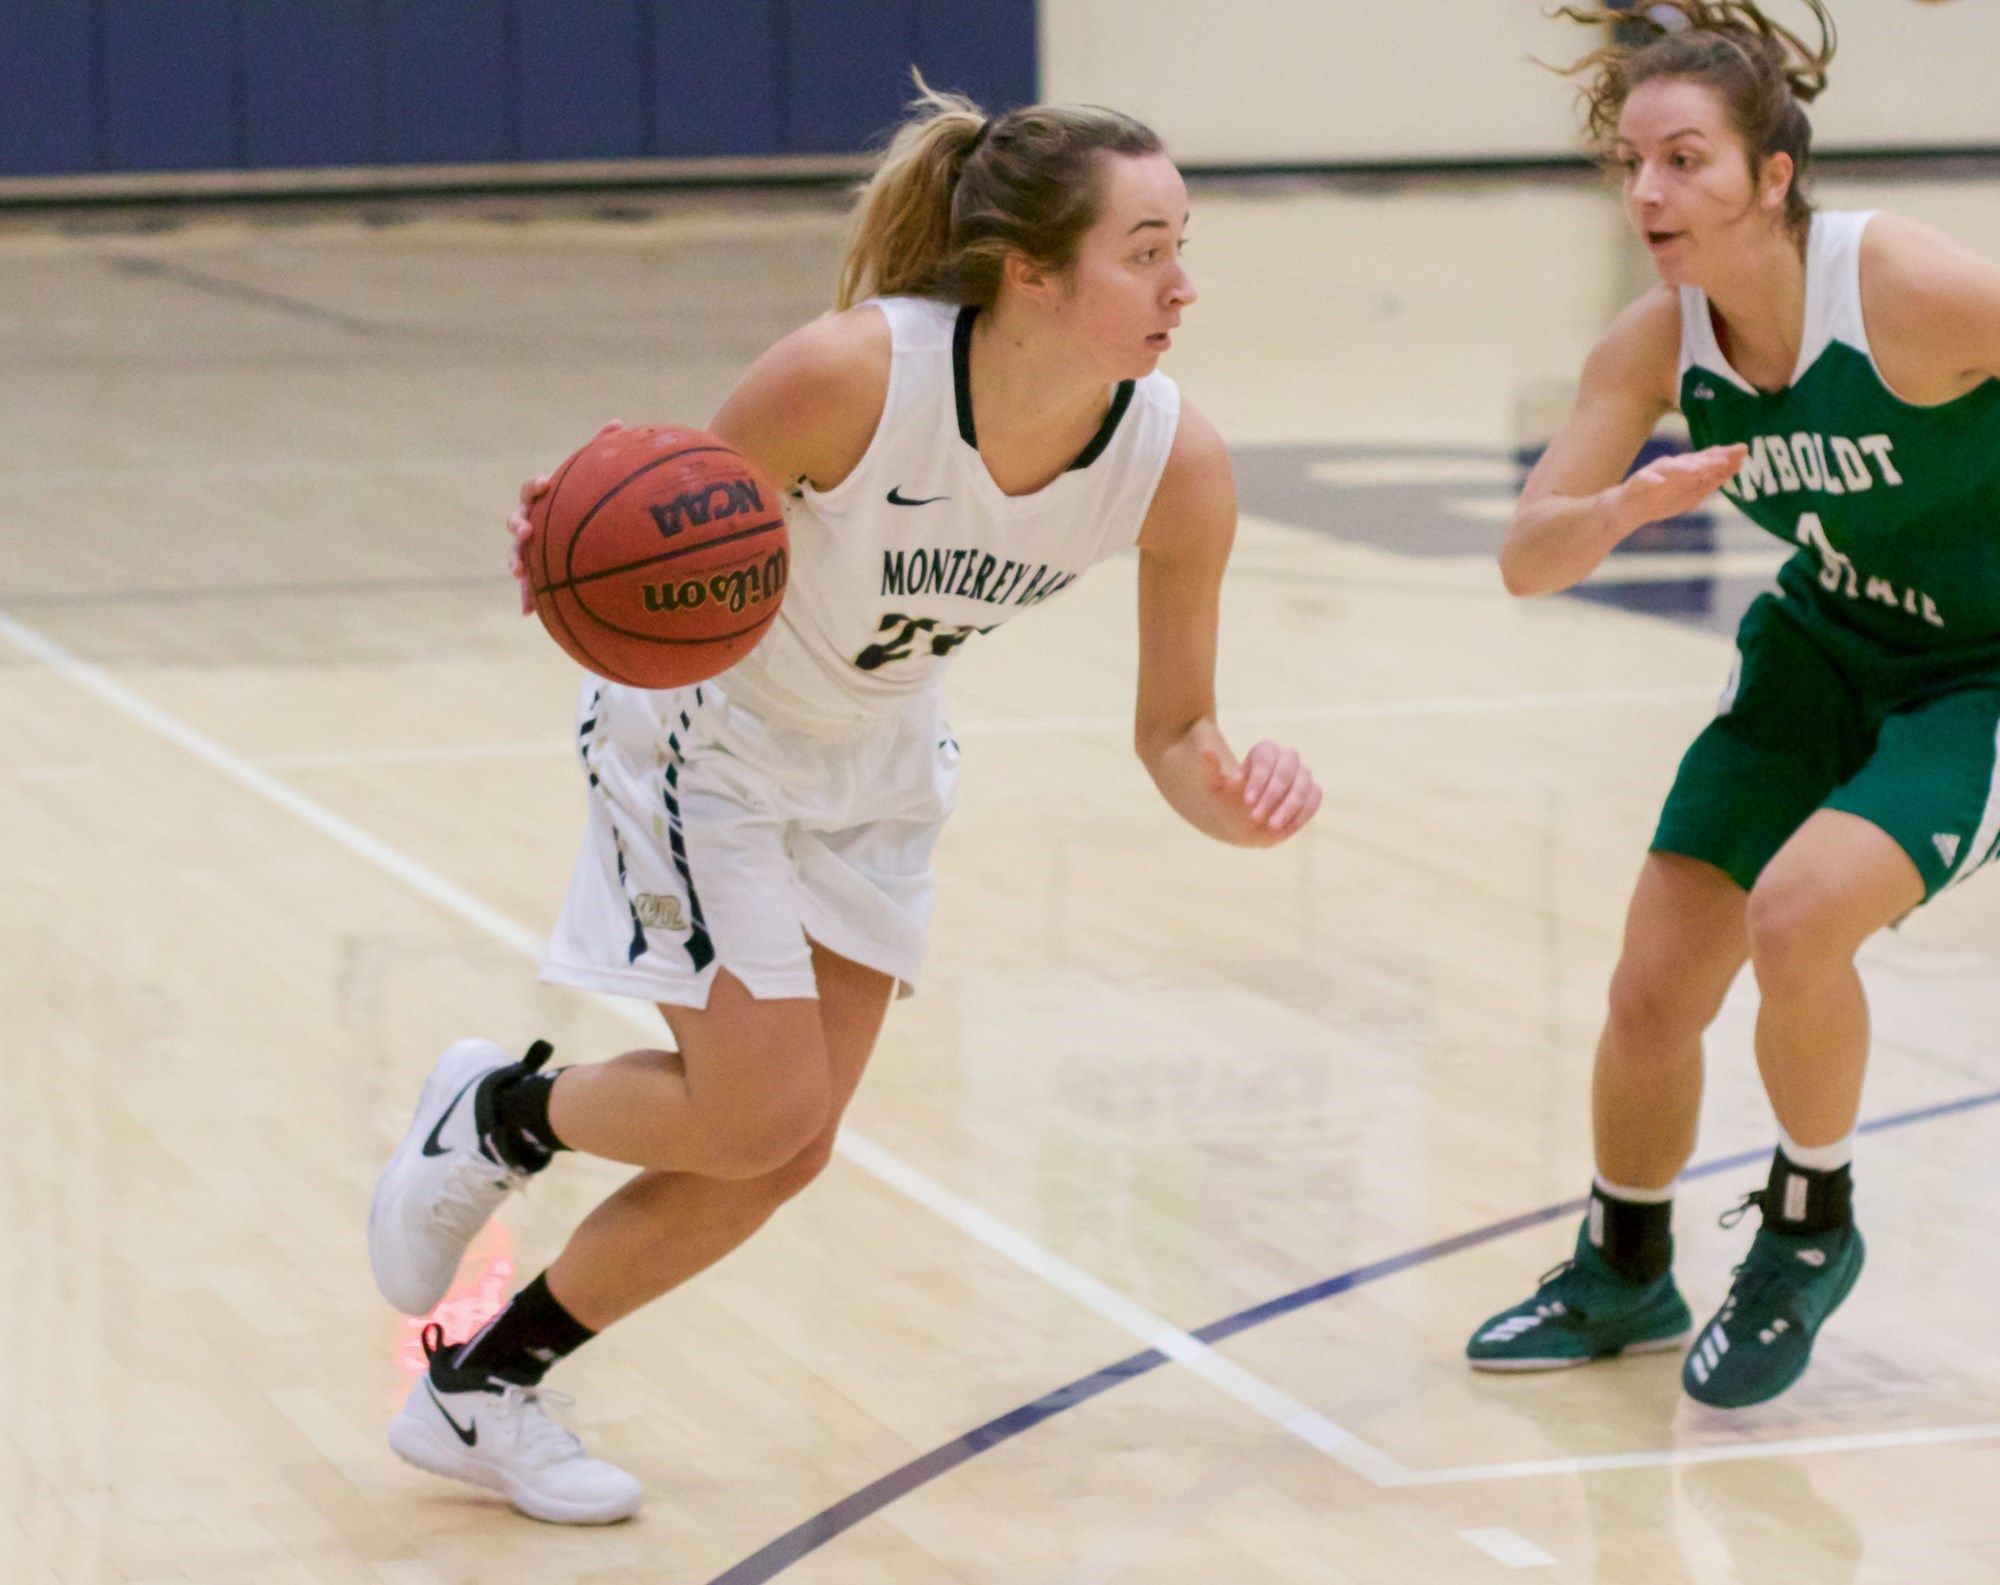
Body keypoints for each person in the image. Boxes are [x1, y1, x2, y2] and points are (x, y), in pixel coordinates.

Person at [366, 78, 1322, 1523]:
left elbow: (1177, 727)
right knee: (762, 1113)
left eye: (1182, 244)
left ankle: (479, 1389)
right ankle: (506, 1113)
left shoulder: (1172, 461)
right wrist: (573, 536)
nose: (1182, 284)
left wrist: (1234, 796)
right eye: (1145, 250)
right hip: (711, 741)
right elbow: (661, 532)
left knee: (785, 1145)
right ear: (1032, 273)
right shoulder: (852, 379)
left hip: (876, 762)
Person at [1467, 0, 2000, 1408]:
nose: (1649, 192)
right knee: (1652, 983)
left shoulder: (1900, 287)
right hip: (1821, 647)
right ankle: (1623, 1262)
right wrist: (1619, 508)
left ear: (1772, 177)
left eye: (1685, 161)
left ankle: (1810, 1226)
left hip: (1982, 674)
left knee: (1799, 914)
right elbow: (1527, 557)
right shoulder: (1655, 344)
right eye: (1633, 163)